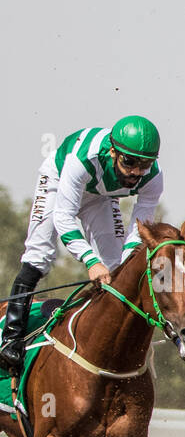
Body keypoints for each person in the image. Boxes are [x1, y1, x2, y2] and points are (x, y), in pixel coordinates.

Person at [1, 116, 164, 374]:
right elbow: (63, 217)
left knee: (117, 267)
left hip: (101, 197)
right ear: (113, 152)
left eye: (144, 165)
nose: (135, 172)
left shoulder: (153, 179)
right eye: (129, 162)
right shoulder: (83, 160)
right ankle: (10, 338)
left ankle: (109, 343)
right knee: (39, 255)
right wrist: (91, 261)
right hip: (58, 182)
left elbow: (139, 230)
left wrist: (123, 259)